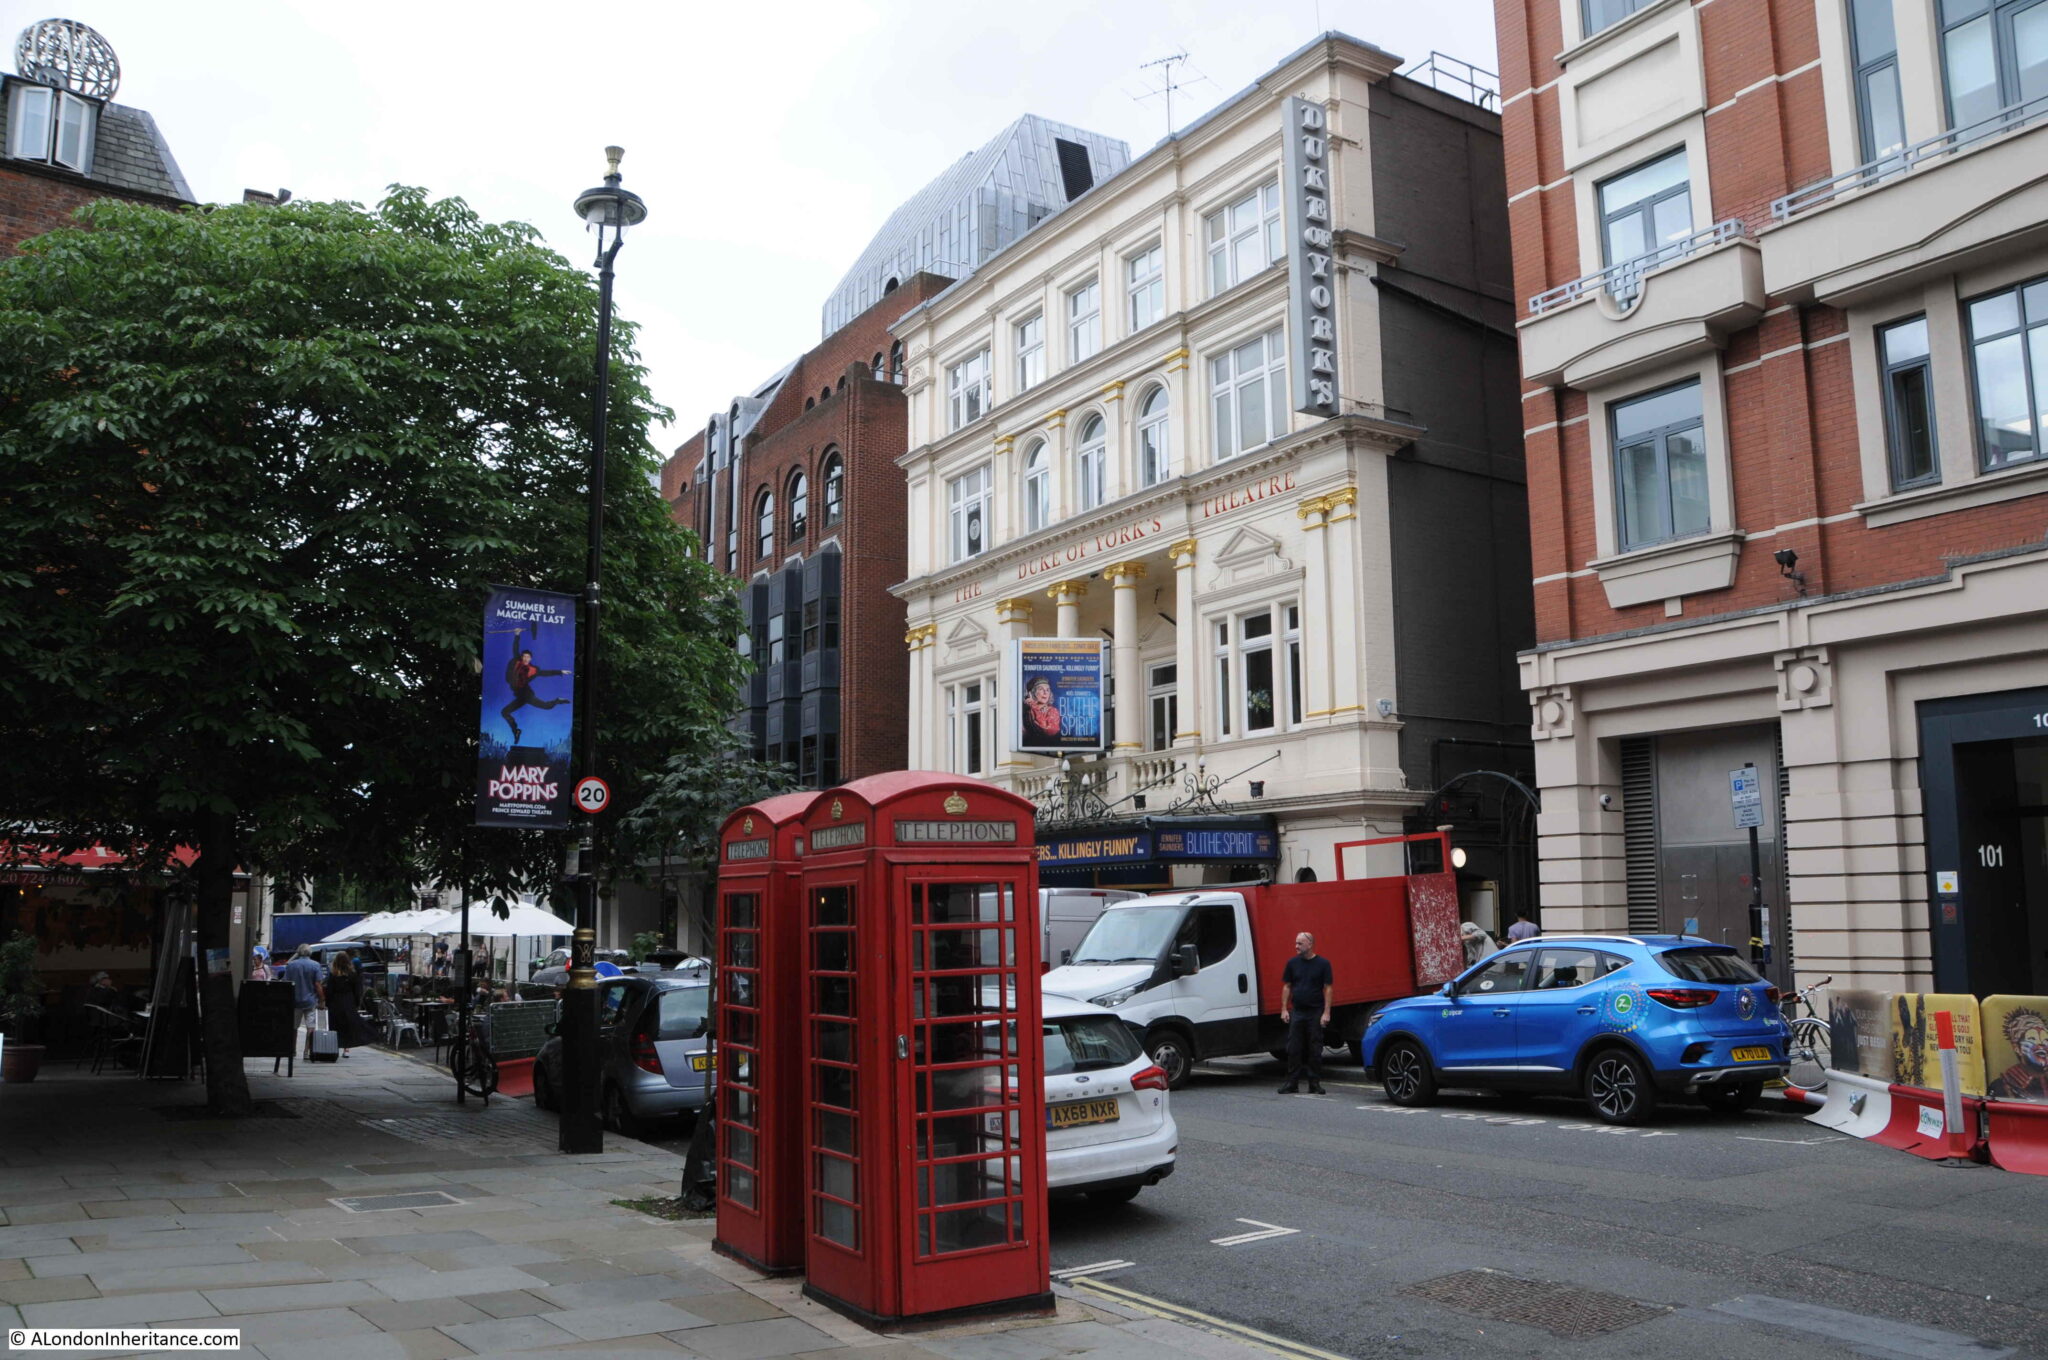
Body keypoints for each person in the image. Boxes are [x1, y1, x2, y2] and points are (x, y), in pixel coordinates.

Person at [1278, 932, 1333, 1095]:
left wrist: (1326, 1012)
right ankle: (1292, 1083)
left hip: (1315, 1012)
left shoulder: (1323, 964)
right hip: (1298, 1012)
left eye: (1300, 943)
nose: (1296, 946)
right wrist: (1283, 1009)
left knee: (1314, 1049)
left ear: (1310, 944)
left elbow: (1328, 988)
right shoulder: (1292, 964)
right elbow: (1287, 986)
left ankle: (1314, 1083)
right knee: (1294, 1048)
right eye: (1296, 943)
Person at [499, 627, 570, 743]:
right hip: (520, 696)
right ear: (522, 657)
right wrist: (517, 635)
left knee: (546, 706)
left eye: (528, 657)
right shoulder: (517, 662)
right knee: (505, 712)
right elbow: (515, 649)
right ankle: (516, 731)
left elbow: (546, 673)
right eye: (524, 656)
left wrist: (560, 671)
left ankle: (557, 700)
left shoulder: (533, 669)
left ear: (531, 658)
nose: (526, 658)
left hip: (527, 695)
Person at [326, 953, 375, 1057]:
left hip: (335, 1002)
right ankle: (346, 1049)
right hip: (348, 1002)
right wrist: (357, 1003)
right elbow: (357, 991)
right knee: (348, 1026)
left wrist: (327, 1003)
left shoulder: (333, 974)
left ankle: (335, 1047)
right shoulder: (353, 974)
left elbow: (329, 991)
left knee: (335, 1026)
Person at [280, 944, 326, 1039]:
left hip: (295, 1001)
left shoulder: (291, 965)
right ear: (310, 952)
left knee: (294, 1027)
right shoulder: (315, 965)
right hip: (310, 1000)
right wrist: (322, 1001)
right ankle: (306, 1051)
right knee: (310, 1027)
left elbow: (285, 983)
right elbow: (318, 985)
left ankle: (292, 1049)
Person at [1022, 676, 1061, 741]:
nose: (1045, 693)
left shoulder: (1053, 711)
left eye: (1048, 690)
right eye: (1041, 689)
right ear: (1032, 693)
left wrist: (1033, 706)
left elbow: (1049, 730)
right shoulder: (1025, 709)